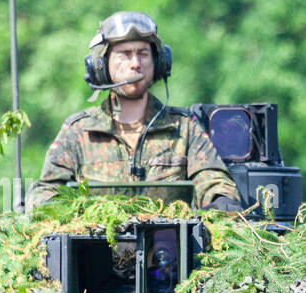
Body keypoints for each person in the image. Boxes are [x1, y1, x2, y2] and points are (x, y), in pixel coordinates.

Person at [26, 11, 241, 213]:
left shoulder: (183, 128)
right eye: (125, 54)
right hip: (94, 250)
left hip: (168, 249)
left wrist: (221, 203)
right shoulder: (79, 132)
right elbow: (45, 192)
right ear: (101, 65)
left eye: (143, 54)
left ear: (158, 63)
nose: (135, 64)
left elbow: (214, 182)